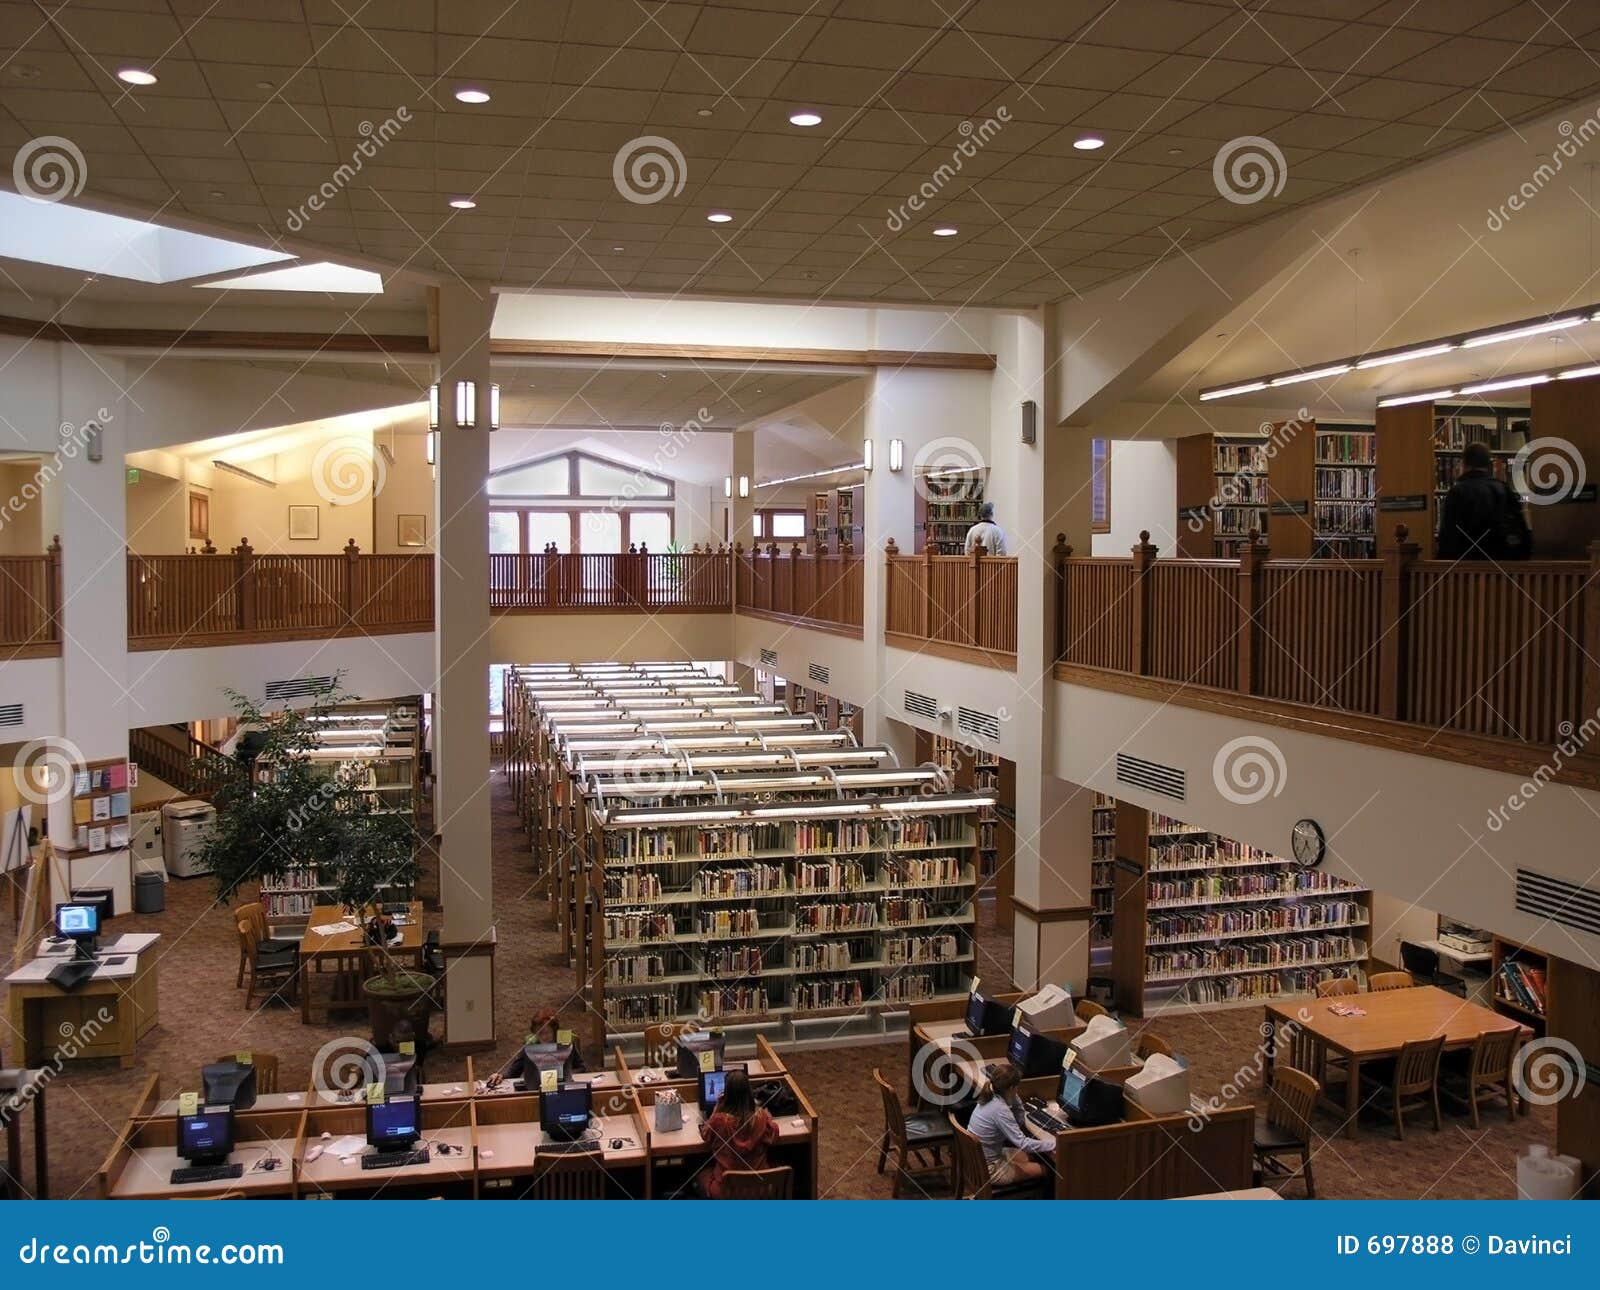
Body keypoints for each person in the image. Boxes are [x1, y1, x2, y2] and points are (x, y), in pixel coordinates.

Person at [1437, 441, 1531, 560]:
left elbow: (1448, 538)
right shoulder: (1503, 489)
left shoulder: (1457, 492)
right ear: (1488, 465)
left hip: (1466, 568)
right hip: (1503, 565)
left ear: (1464, 464)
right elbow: (1522, 533)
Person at [967, 1060, 1054, 1185]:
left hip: (979, 1159)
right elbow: (1023, 1143)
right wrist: (1053, 1144)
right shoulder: (1000, 1109)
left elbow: (1019, 1122)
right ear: (1012, 1088)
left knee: (1033, 1157)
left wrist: (1014, 1097)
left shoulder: (989, 1095)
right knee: (1047, 1169)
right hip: (990, 1168)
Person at [699, 1067, 780, 1197]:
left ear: (726, 1094)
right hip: (759, 1189)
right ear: (749, 1092)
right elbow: (774, 1135)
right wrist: (767, 1116)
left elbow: (705, 1135)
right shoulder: (760, 1117)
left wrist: (717, 1108)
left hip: (727, 1191)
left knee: (700, 1176)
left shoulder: (719, 1121)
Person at [485, 1009, 587, 1088]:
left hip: (564, 1087)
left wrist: (568, 1076)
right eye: (539, 1033)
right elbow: (515, 1070)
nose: (543, 1037)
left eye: (547, 1032)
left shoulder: (565, 1041)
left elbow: (582, 1067)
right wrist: (500, 1076)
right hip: (537, 1088)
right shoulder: (531, 1044)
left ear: (554, 1030)